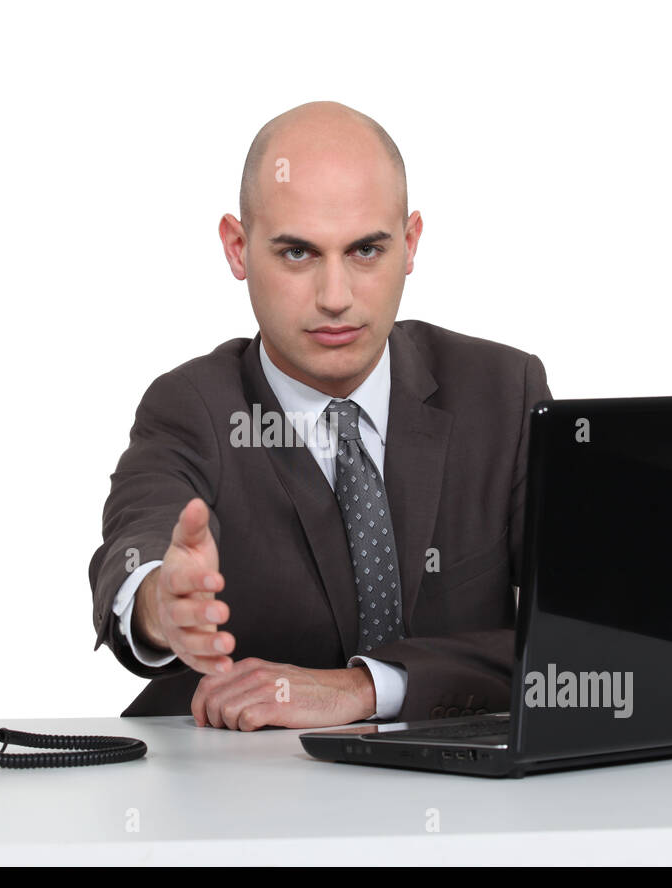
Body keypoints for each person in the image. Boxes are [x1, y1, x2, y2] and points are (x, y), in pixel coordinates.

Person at [88, 100, 552, 730]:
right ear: (237, 249)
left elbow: (584, 642)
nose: (336, 298)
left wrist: (364, 689)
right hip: (245, 806)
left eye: (366, 251)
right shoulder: (192, 408)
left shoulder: (502, 392)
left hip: (469, 808)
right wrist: (159, 604)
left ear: (410, 244)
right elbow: (141, 535)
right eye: (298, 254)